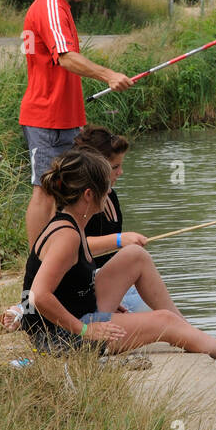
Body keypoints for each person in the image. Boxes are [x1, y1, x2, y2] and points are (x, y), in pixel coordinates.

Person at [18, 148, 216, 381]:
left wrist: (100, 297)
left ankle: (188, 333)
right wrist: (86, 330)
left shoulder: (71, 223)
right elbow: (39, 295)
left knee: (134, 256)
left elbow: (71, 278)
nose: (111, 192)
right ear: (90, 194)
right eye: (108, 186)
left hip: (73, 317)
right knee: (164, 321)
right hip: (60, 340)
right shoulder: (67, 235)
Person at [20, 0, 132, 249]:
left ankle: (75, 257)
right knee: (43, 192)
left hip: (66, 118)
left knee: (76, 189)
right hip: (47, 119)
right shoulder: (50, 6)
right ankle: (36, 267)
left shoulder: (62, 7)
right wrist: (109, 74)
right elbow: (66, 57)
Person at [71, 126, 151, 312]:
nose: (120, 172)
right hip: (87, 282)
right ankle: (23, 309)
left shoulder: (111, 197)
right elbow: (72, 246)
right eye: (115, 167)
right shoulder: (79, 201)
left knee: (152, 297)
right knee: (147, 309)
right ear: (95, 167)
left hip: (112, 278)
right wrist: (119, 240)